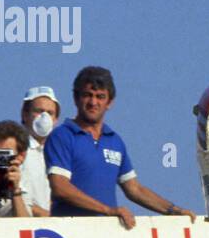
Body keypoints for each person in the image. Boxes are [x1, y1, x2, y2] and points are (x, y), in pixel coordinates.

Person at [45, 66, 193, 228]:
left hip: (107, 235)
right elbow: (60, 187)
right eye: (88, 95)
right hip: (70, 234)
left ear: (110, 102)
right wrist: (107, 210)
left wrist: (174, 211)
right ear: (76, 98)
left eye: (100, 97)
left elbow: (134, 189)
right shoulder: (62, 136)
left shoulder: (115, 141)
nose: (93, 102)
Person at [18, 85, 59, 217]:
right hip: (21, 227)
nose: (44, 117)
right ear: (25, 114)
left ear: (56, 120)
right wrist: (44, 214)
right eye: (39, 111)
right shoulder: (16, 149)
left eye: (50, 112)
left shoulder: (59, 153)